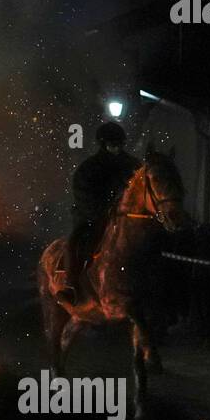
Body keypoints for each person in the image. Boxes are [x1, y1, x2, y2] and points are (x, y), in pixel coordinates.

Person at [55, 122, 140, 305]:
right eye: (112, 144)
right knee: (75, 242)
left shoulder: (133, 165)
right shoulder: (89, 168)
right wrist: (101, 212)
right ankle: (71, 286)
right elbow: (82, 193)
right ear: (103, 144)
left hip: (126, 217)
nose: (116, 148)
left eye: (119, 143)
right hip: (92, 216)